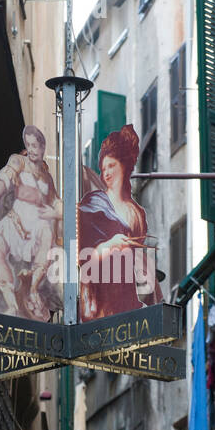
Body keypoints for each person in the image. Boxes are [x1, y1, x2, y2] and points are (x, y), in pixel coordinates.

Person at [0, 126, 63, 321]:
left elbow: (59, 205)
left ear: (43, 147)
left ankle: (34, 289)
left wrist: (55, 211)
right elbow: (1, 183)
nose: (31, 150)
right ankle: (11, 305)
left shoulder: (47, 179)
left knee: (46, 235)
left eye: (35, 146)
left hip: (37, 226)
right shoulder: (18, 162)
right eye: (28, 145)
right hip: (15, 220)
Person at [77, 125, 162, 320]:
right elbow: (82, 256)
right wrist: (108, 245)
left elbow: (140, 257)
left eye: (111, 166)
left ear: (124, 166)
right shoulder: (93, 204)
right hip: (101, 294)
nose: (106, 172)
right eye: (104, 167)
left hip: (127, 295)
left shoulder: (138, 212)